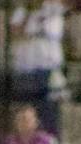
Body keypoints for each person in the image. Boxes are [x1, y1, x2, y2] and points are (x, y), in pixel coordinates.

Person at [11, 0, 68, 136]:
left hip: (49, 68)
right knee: (26, 111)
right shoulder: (20, 13)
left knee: (50, 111)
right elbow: (16, 33)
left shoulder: (54, 10)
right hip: (27, 69)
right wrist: (29, 14)